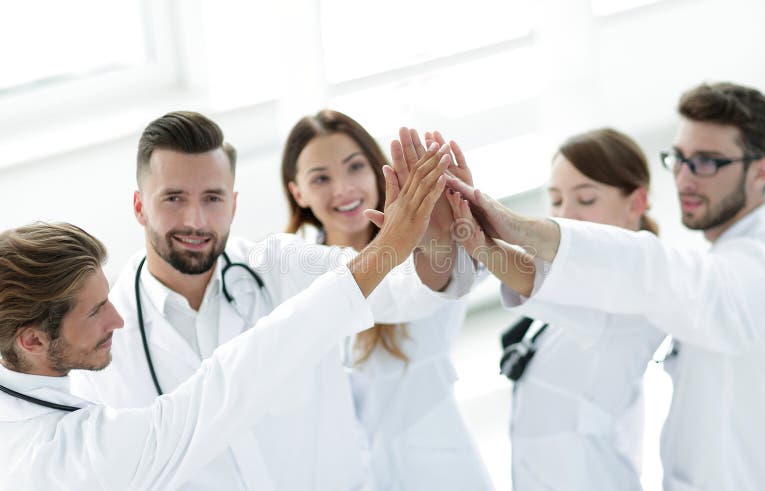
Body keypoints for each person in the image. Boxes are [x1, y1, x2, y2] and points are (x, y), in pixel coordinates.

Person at [0, 144, 451, 489]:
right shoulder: (70, 455)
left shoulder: (274, 260)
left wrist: (434, 243)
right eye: (96, 311)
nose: (117, 319)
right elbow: (231, 385)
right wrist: (387, 246)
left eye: (213, 197)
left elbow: (408, 292)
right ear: (32, 341)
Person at [448, 82, 765, 490]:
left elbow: (655, 272)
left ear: (761, 170)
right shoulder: (730, 260)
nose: (684, 178)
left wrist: (517, 230)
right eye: (679, 159)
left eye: (706, 162)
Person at [281, 110, 492, 490]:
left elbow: (428, 284)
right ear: (298, 192)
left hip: (441, 473)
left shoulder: (422, 252)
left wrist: (438, 237)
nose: (343, 188)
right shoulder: (294, 276)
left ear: (379, 171)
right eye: (321, 178)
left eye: (354, 167)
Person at [472, 128, 664, 490]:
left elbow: (531, 275)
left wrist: (479, 240)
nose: (565, 214)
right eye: (556, 200)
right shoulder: (568, 292)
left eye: (586, 199)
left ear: (636, 203)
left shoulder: (642, 290)